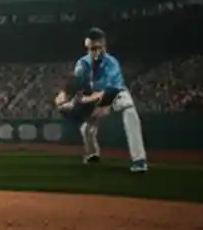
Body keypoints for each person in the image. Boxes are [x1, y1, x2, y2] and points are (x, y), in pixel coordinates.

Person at [60, 27, 148, 172]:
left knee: (130, 111)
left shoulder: (112, 63)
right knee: (87, 128)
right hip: (94, 97)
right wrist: (65, 99)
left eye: (95, 48)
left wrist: (101, 108)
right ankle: (92, 154)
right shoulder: (82, 64)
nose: (91, 52)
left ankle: (139, 160)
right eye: (88, 49)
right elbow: (73, 85)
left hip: (116, 95)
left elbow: (111, 91)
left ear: (103, 46)